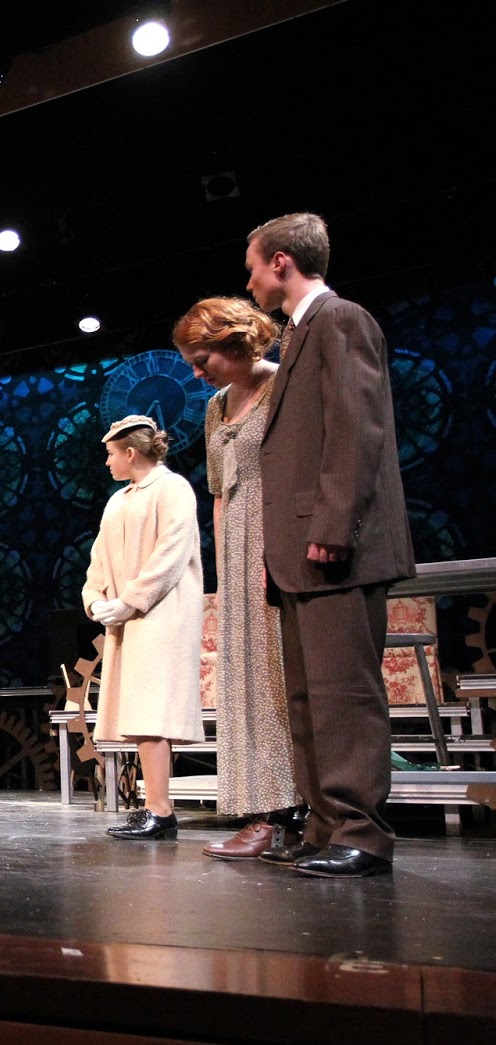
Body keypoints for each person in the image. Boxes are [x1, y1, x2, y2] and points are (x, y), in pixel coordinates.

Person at [244, 212, 415, 878]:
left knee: (344, 693)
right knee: (310, 698)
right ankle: (323, 823)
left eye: (254, 264)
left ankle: (362, 833)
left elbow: (356, 427)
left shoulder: (340, 320)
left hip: (334, 548)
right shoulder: (299, 334)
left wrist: (332, 527)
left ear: (282, 262)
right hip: (299, 555)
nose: (251, 278)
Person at [173, 298, 304, 859]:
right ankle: (258, 812)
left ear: (236, 343)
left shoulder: (283, 387)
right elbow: (221, 494)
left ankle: (291, 813)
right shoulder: (216, 407)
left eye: (203, 358)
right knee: (243, 686)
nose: (196, 373)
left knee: (280, 683)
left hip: (281, 546)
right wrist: (226, 575)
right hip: (239, 558)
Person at [82, 415, 205, 840]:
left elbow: (171, 555)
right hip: (128, 619)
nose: (107, 463)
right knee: (138, 714)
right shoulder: (118, 501)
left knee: (152, 712)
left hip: (162, 615)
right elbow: (98, 557)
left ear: (130, 453)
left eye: (111, 455)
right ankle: (156, 806)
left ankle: (160, 809)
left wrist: (130, 600)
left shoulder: (172, 489)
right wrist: (95, 598)